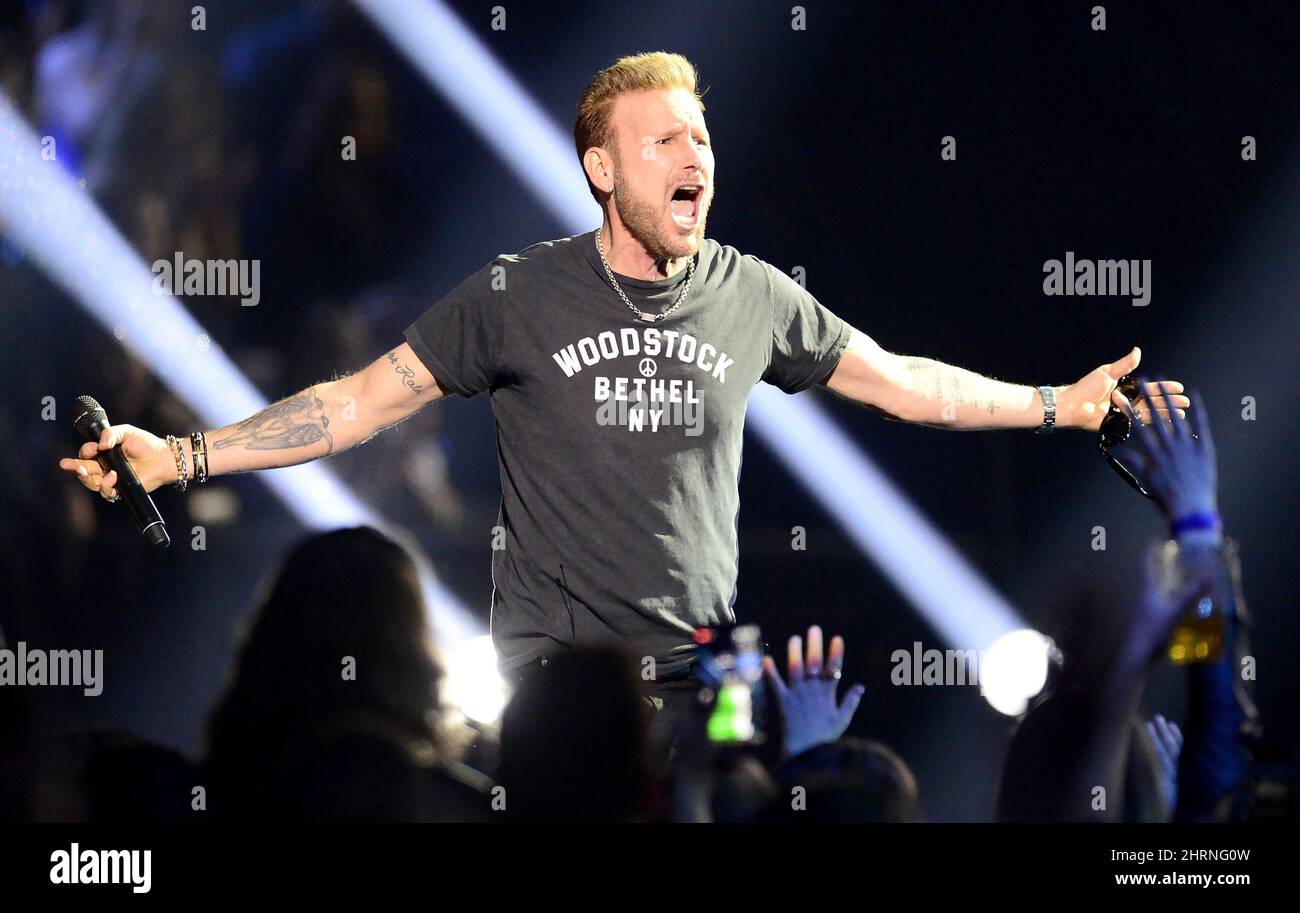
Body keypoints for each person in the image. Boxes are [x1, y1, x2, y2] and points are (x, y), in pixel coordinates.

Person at [58, 52, 1188, 732]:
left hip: (699, 685)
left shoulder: (752, 296)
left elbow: (904, 387)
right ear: (601, 167)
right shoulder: (514, 295)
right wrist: (187, 456)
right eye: (662, 140)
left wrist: (1060, 402)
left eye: (700, 136)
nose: (693, 155)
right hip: (545, 692)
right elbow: (355, 402)